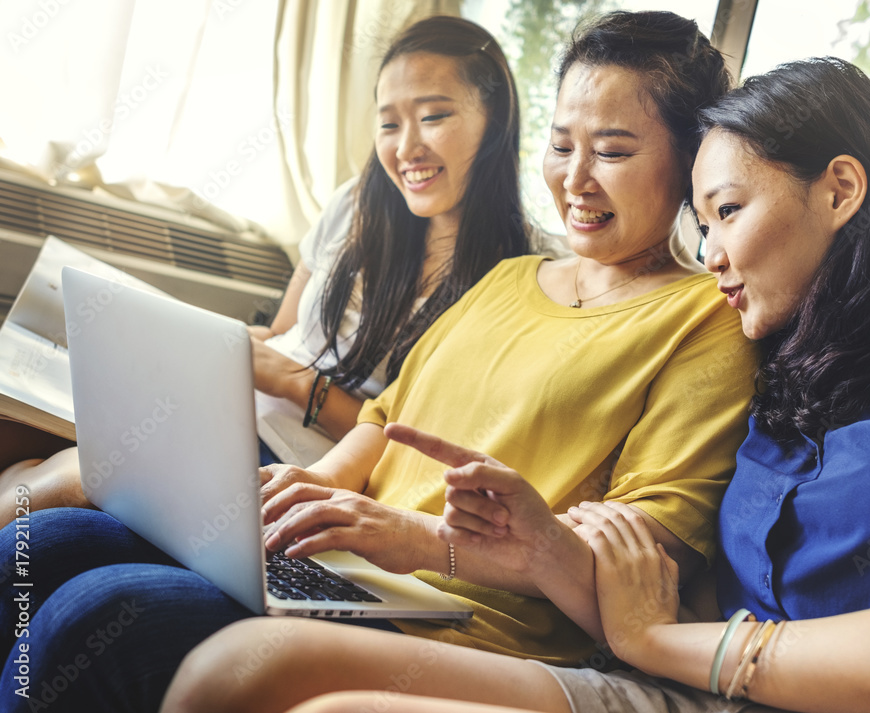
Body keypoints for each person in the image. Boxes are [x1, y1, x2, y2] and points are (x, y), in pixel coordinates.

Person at [180, 56, 870, 713]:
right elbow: (672, 592)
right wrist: (540, 548)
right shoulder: (785, 358)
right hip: (686, 677)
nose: (711, 256)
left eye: (729, 211)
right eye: (702, 223)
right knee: (241, 672)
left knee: (270, 679)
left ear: (841, 189)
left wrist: (662, 644)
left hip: (695, 676)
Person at [1, 10, 758, 713]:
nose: (576, 178)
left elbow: (638, 569)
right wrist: (314, 487)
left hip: (449, 618)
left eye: (614, 151)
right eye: (563, 145)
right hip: (341, 556)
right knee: (43, 544)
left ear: (693, 159)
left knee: (89, 620)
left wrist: (411, 535)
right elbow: (388, 416)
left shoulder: (704, 320)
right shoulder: (510, 282)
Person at [0, 13, 536, 522]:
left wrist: (293, 380)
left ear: (494, 122)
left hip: (294, 447)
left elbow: (410, 443)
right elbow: (281, 334)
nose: (406, 148)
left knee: (68, 480)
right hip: (230, 395)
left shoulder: (509, 283)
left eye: (434, 116)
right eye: (389, 123)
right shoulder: (356, 204)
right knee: (14, 428)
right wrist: (191, 350)